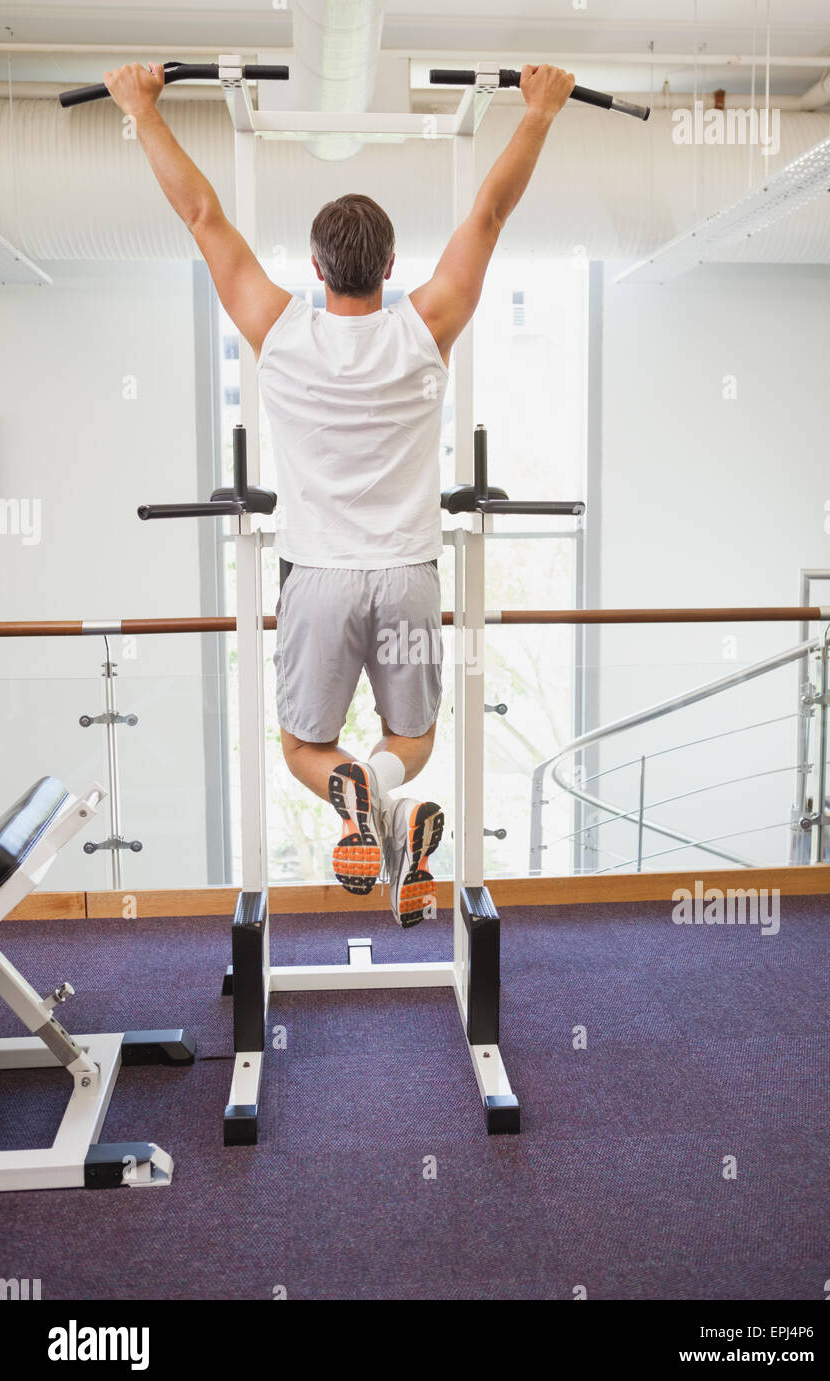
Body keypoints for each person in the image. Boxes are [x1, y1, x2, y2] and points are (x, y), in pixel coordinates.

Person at [103, 59, 574, 925]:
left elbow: (200, 213)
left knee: (301, 749)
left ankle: (352, 791)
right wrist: (539, 109)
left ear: (316, 265)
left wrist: (142, 109)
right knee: (415, 740)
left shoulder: (278, 331)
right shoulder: (425, 326)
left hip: (317, 576)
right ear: (391, 264)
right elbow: (491, 212)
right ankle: (386, 795)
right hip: (405, 574)